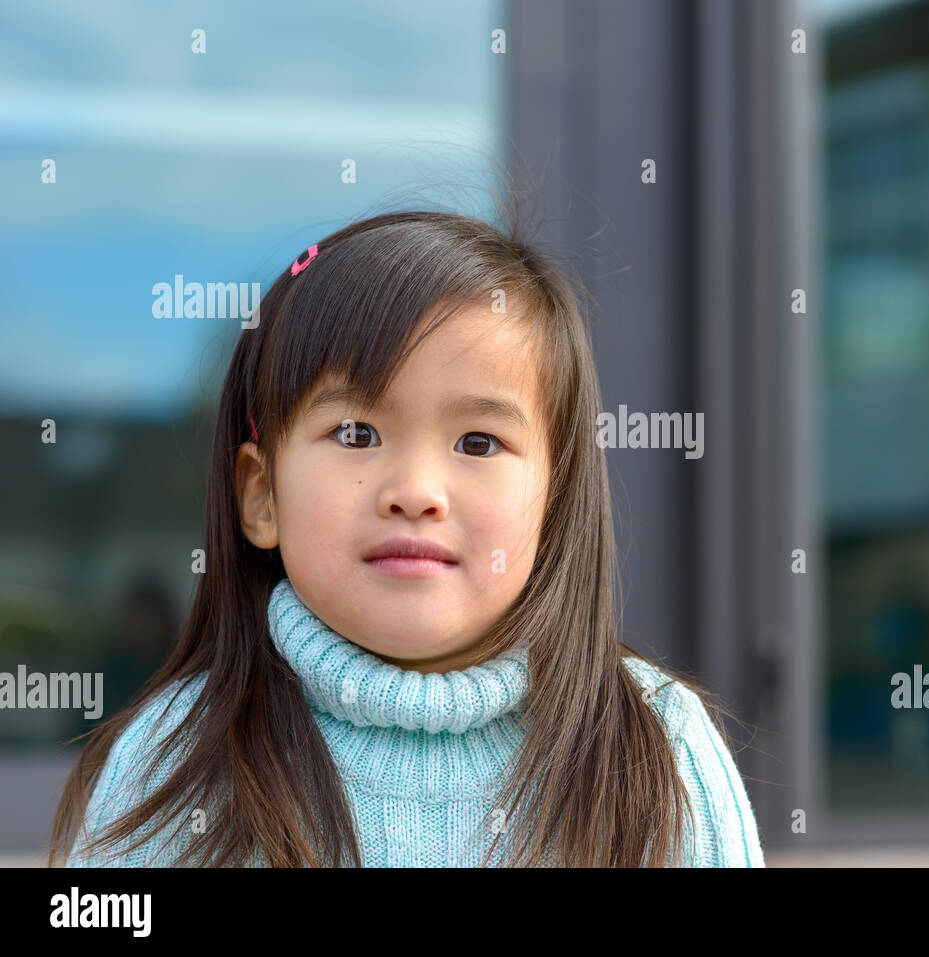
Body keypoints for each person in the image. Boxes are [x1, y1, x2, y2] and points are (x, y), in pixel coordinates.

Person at [48, 207, 764, 867]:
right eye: (356, 433)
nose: (417, 490)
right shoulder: (171, 762)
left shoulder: (656, 750)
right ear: (261, 495)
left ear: (556, 497)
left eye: (479, 442)